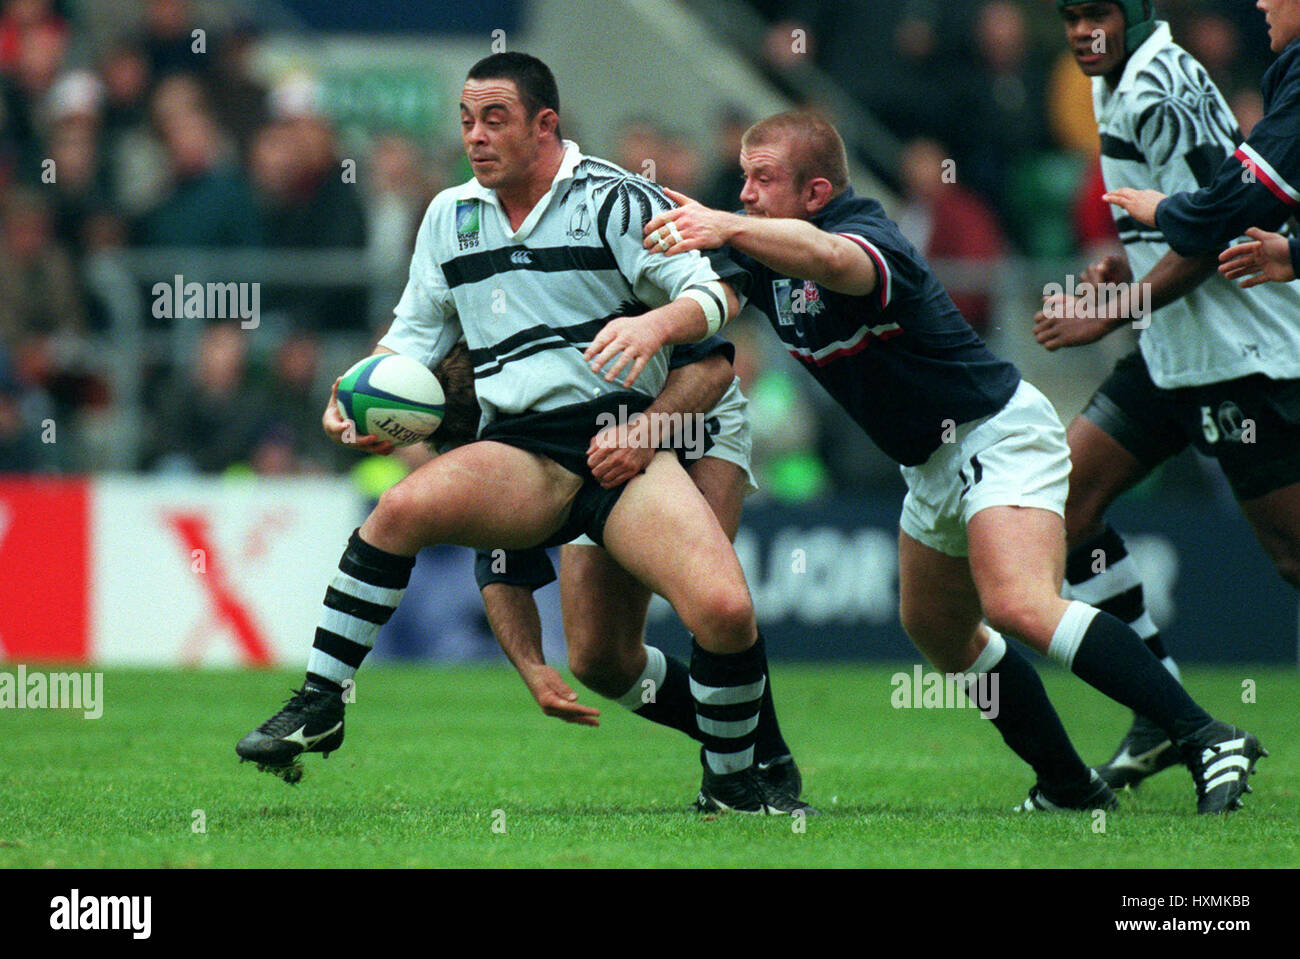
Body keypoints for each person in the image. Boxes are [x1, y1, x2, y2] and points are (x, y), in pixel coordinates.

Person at [586, 110, 1266, 814]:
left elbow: (831, 261)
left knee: (1017, 602)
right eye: (746, 179)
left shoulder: (868, 234)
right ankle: (1069, 785)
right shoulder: (764, 253)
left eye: (764, 180)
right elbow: (712, 300)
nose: (747, 193)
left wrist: (728, 224)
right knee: (938, 629)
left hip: (996, 433)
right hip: (932, 465)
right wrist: (651, 323)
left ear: (816, 192)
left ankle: (1206, 734)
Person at [235, 53, 809, 815]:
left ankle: (735, 781)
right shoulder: (449, 216)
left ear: (546, 125)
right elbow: (407, 340)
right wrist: (351, 395)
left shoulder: (614, 198)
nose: (475, 136)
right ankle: (320, 702)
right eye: (467, 120)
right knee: (401, 512)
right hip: (525, 446)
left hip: (637, 430)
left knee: (722, 613)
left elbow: (711, 302)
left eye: (494, 118)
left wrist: (652, 335)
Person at [1031, 1, 1300, 791]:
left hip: (1240, 352)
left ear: (1135, 12)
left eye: (1098, 15)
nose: (1083, 32)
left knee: (1293, 556)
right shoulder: (1107, 76)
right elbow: (1165, 219)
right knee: (1064, 500)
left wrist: (1114, 310)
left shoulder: (1159, 85)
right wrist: (1129, 264)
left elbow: (1215, 227)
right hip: (1172, 346)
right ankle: (1162, 708)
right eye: (1071, 16)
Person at [428, 340, 805, 805]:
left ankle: (741, 772)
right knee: (598, 659)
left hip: (690, 416)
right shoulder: (506, 430)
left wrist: (647, 433)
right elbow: (501, 560)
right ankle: (757, 744)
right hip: (591, 447)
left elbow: (713, 367)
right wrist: (532, 666)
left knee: (710, 600)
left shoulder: (552, 376)